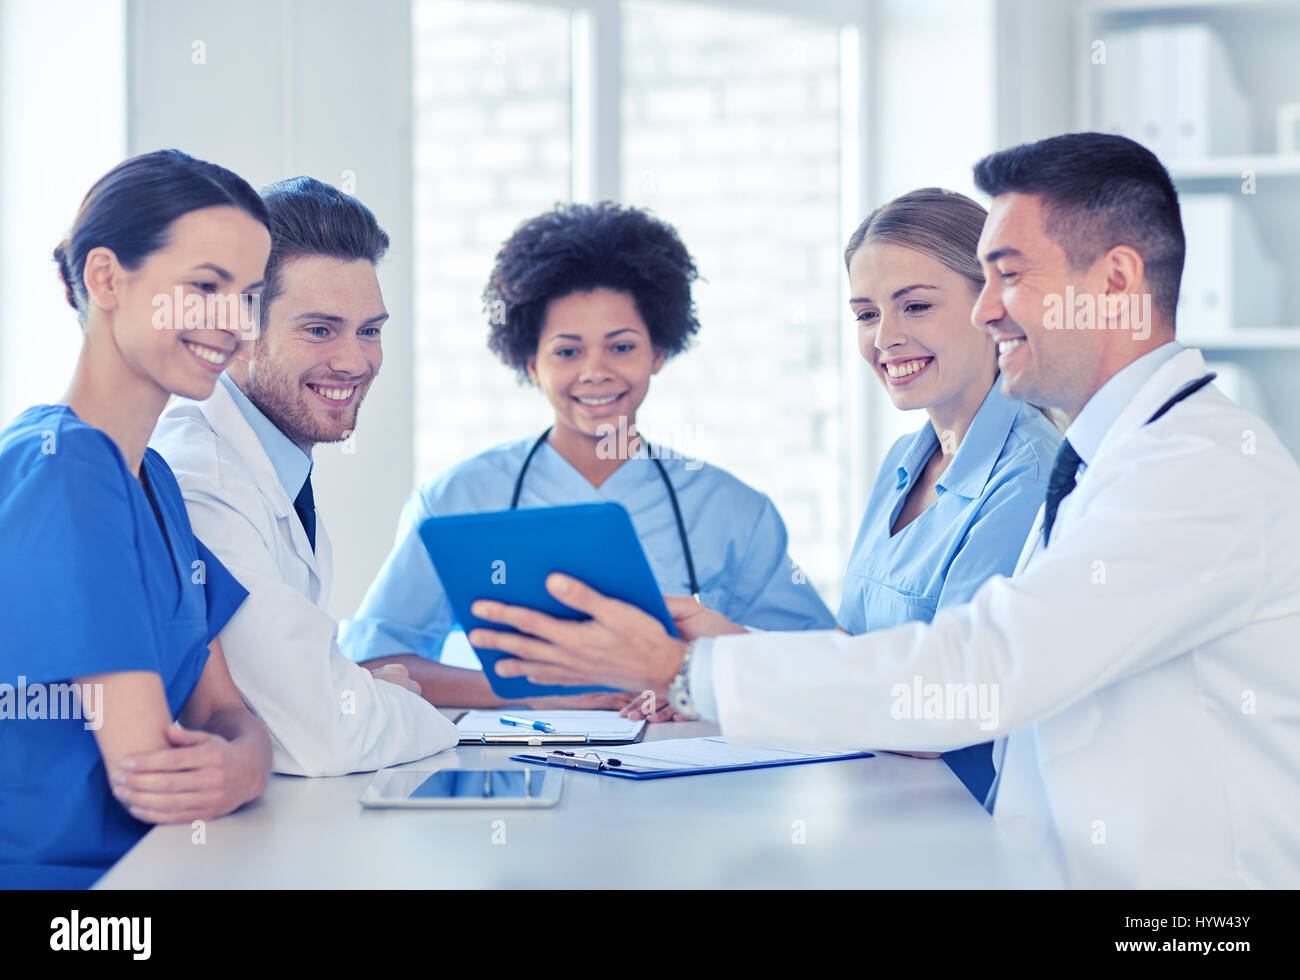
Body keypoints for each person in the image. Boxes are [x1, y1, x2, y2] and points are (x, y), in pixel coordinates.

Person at [464, 133, 1300, 889]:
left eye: (1007, 276)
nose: (985, 308)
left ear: (1114, 282)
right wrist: (720, 654)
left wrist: (691, 671)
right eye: (867, 311)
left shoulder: (1195, 473)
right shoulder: (1110, 460)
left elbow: (979, 671)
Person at [625, 189, 1060, 803]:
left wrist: (735, 668)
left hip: (963, 831)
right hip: (875, 801)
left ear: (990, 307)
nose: (886, 337)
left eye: (915, 306)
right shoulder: (906, 464)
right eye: (865, 314)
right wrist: (719, 653)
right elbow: (861, 660)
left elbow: (945, 705)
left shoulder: (1028, 478)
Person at [339, 202, 835, 710]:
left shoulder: (733, 510)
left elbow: (825, 665)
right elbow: (372, 662)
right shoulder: (455, 498)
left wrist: (694, 682)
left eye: (621, 347)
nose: (595, 372)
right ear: (531, 363)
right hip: (523, 772)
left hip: (689, 777)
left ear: (659, 353)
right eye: (567, 351)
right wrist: (533, 693)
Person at [0, 150, 274, 888]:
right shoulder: (61, 469)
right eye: (206, 286)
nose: (237, 325)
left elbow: (226, 714)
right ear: (105, 278)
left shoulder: (152, 479)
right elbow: (154, 776)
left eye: (248, 294)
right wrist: (240, 764)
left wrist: (242, 765)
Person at [150, 177, 458, 777]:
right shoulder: (201, 479)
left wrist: (353, 691)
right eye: (320, 329)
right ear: (239, 333)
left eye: (370, 329)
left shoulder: (277, 460)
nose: (354, 360)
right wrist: (396, 702)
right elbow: (327, 735)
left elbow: (308, 697)